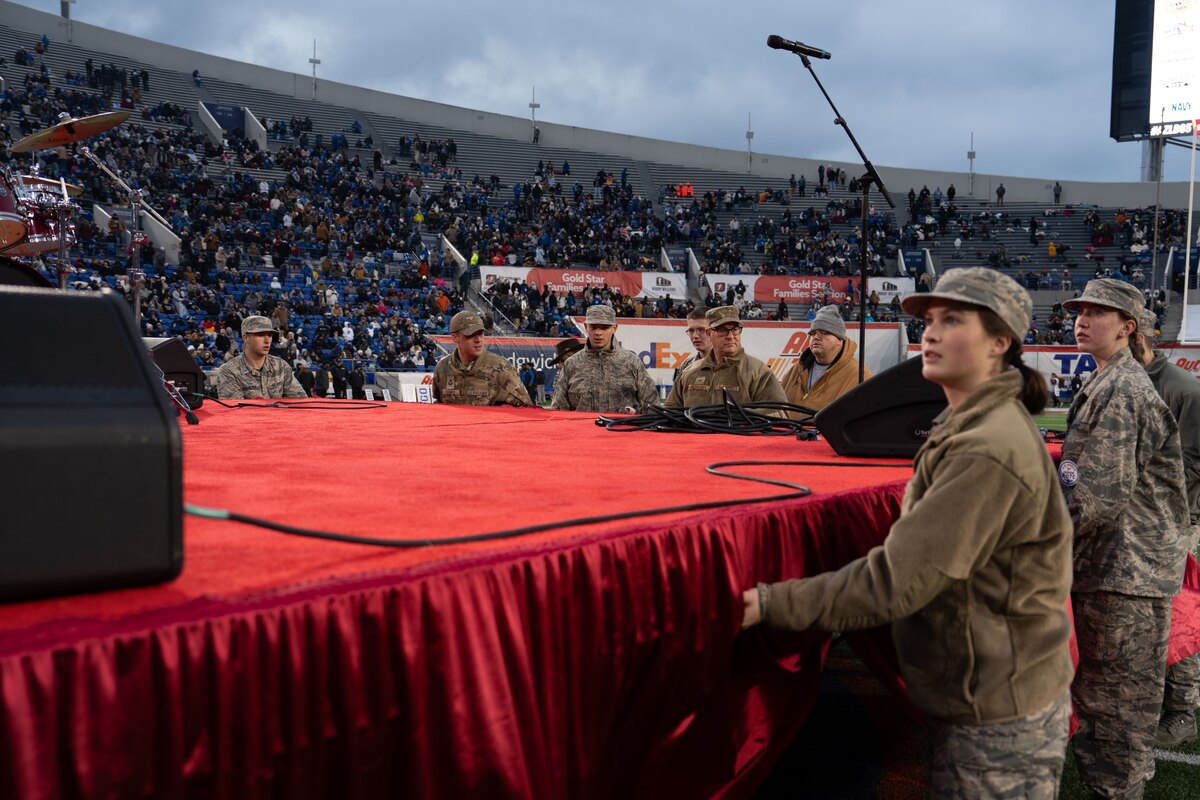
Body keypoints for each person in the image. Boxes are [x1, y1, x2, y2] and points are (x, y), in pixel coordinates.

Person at [742, 268, 1074, 798]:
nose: (931, 333)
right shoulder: (972, 424)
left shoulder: (987, 444)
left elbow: (898, 582)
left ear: (1000, 343)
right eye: (930, 321)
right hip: (987, 689)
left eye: (953, 321)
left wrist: (767, 604)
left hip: (997, 709)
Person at [1060, 279, 1190, 797]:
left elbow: (1096, 497)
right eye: (1079, 311)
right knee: (1108, 701)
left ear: (1127, 327)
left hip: (1125, 572)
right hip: (1114, 566)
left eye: (1097, 312)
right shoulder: (1108, 380)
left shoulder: (1121, 388)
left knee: (1114, 707)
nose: (1082, 320)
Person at [1135, 309, 1200, 747]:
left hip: (1177, 523)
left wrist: (1136, 481)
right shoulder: (1118, 380)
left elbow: (1194, 462)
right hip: (1137, 522)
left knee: (1178, 614)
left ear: (1134, 335)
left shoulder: (1182, 389)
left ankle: (1181, 712)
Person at [663, 306, 786, 410]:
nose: (730, 336)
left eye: (735, 329)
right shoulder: (689, 372)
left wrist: (737, 418)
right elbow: (670, 411)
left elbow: (779, 412)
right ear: (709, 334)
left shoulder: (759, 372)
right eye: (723, 330)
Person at [551, 305, 656, 413]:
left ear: (614, 328)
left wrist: (635, 414)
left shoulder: (632, 363)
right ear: (586, 326)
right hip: (581, 424)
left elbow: (652, 408)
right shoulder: (571, 364)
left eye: (604, 327)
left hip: (622, 424)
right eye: (593, 327)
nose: (598, 333)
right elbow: (558, 411)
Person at [781, 305, 872, 413]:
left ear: (839, 340)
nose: (816, 337)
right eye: (813, 333)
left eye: (824, 332)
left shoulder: (860, 375)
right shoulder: (796, 369)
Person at [432, 311, 531, 406]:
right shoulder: (443, 368)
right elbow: (439, 406)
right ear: (455, 337)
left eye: (481, 334)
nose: (478, 340)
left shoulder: (502, 368)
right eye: (471, 335)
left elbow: (526, 409)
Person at [216, 316, 307, 400]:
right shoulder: (229, 371)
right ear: (246, 338)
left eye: (270, 335)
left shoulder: (281, 366)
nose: (267, 340)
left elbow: (300, 402)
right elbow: (235, 410)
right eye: (260, 335)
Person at [673, 309, 711, 383]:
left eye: (701, 330)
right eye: (691, 331)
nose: (695, 336)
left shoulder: (730, 365)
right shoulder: (686, 366)